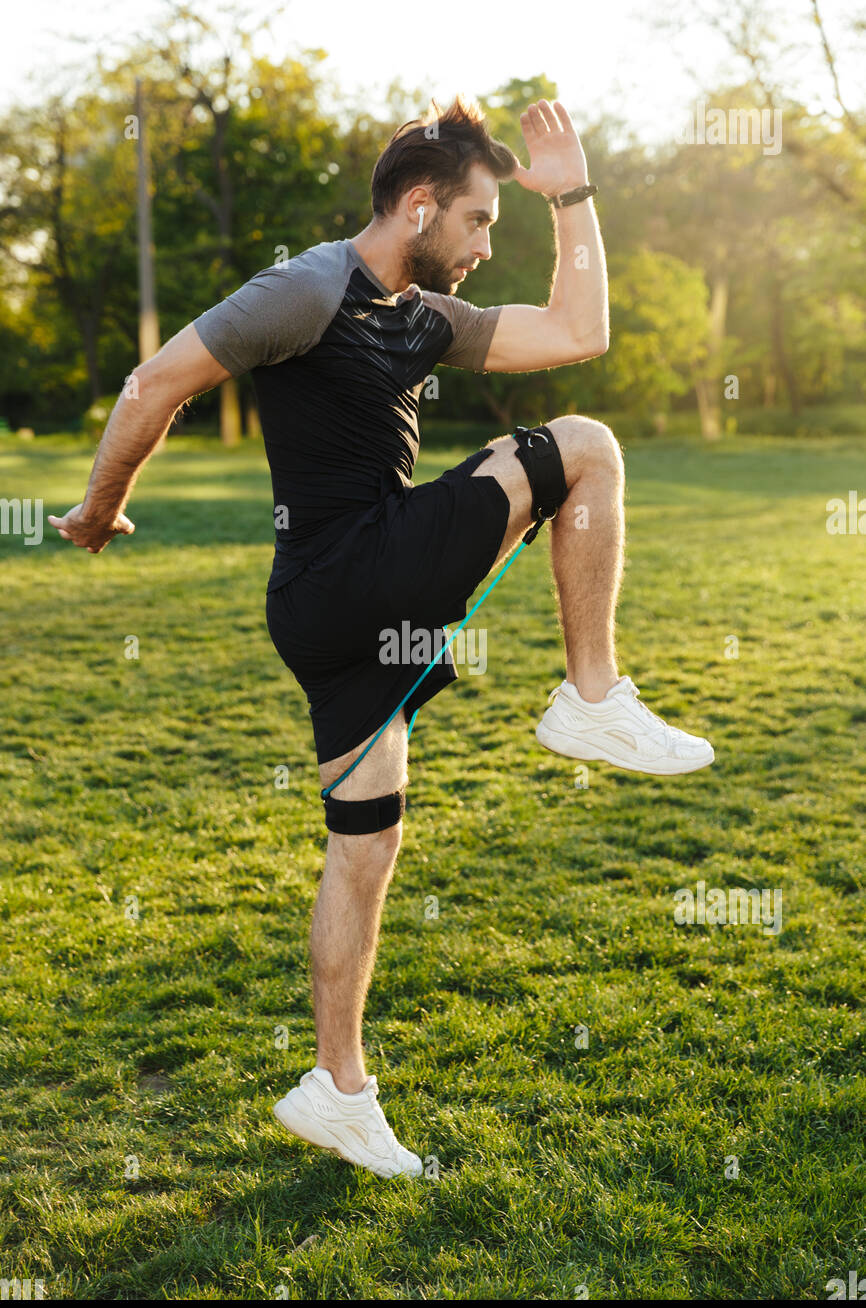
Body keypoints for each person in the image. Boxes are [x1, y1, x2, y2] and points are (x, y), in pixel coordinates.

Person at [49, 95, 713, 1180]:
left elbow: (577, 333)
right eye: (481, 221)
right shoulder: (306, 289)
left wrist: (575, 199)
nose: (487, 242)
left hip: (338, 609)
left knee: (364, 845)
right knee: (583, 447)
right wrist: (95, 504)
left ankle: (336, 1090)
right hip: (348, 573)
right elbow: (156, 382)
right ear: (418, 207)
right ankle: (590, 700)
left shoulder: (417, 313)